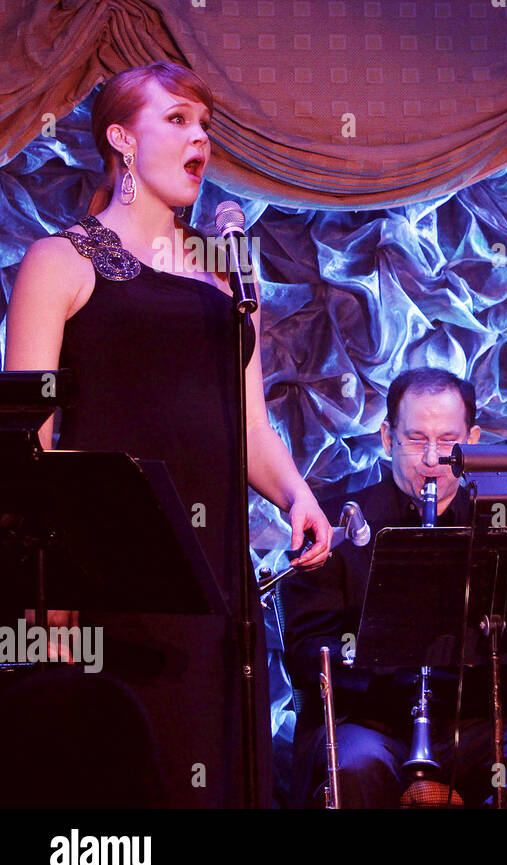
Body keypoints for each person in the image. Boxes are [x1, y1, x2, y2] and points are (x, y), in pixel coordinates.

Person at [4, 61, 332, 598]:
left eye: (205, 124)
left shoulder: (225, 273)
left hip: (220, 565)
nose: (200, 136)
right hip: (108, 560)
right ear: (122, 139)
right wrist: (48, 589)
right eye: (178, 119)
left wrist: (298, 496)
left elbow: (251, 428)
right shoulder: (61, 260)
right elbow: (28, 442)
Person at [279, 367, 507, 808]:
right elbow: (308, 654)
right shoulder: (333, 522)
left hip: (476, 717)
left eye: (448, 439)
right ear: (387, 439)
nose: (433, 458)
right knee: (355, 768)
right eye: (417, 439)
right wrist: (383, 665)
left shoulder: (500, 524)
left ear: (472, 439)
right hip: (370, 720)